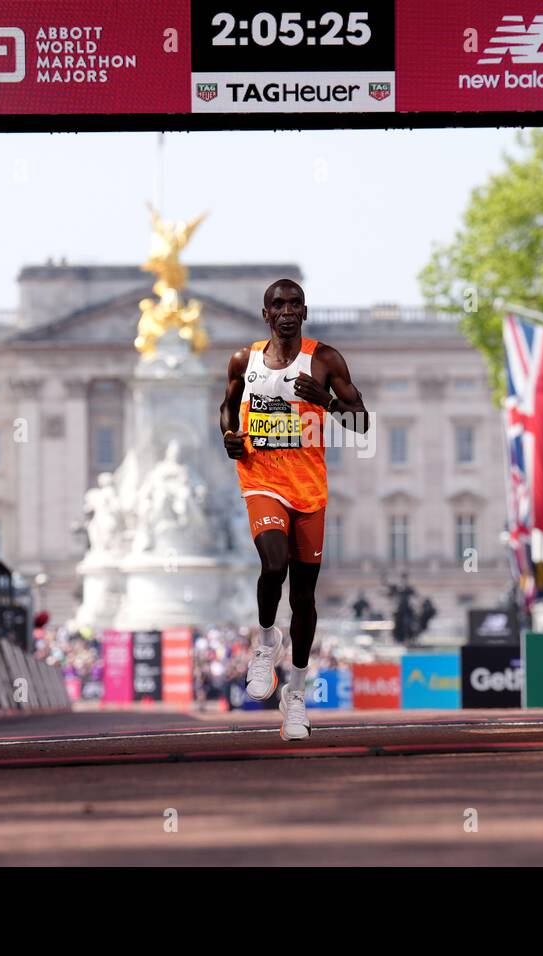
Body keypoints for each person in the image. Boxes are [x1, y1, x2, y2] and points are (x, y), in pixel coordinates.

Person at [219, 278, 368, 740]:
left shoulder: (324, 360)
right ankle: (266, 642)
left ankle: (296, 695)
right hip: (262, 480)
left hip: (308, 489)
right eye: (277, 304)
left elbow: (361, 422)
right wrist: (230, 439)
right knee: (273, 563)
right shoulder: (244, 360)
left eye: (295, 304)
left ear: (304, 312)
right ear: (266, 315)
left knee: (304, 598)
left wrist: (323, 400)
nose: (287, 311)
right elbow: (226, 408)